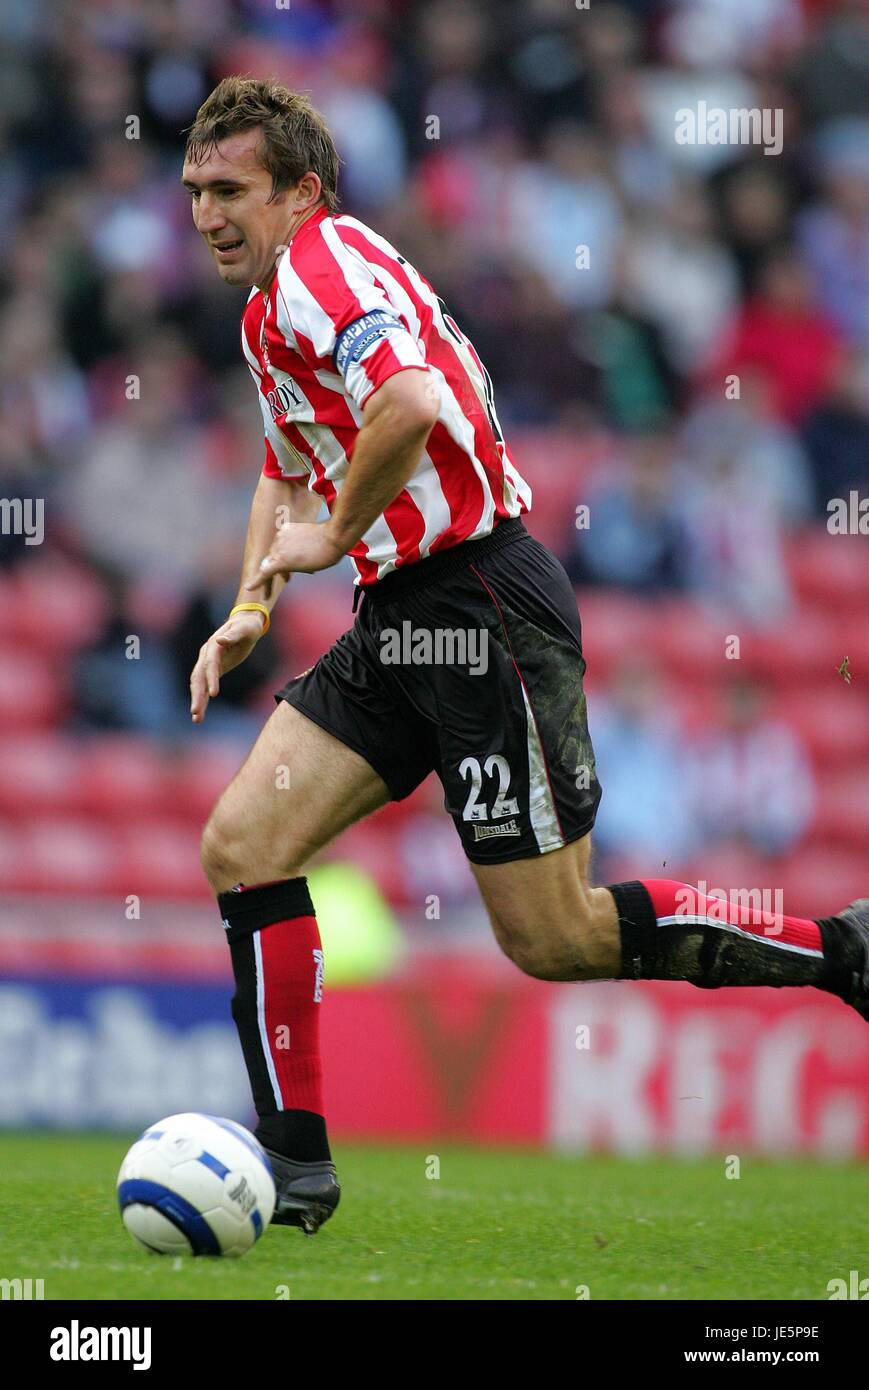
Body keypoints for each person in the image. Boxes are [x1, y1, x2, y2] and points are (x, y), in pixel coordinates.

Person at [182, 77, 869, 1236]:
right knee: (242, 844)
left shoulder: (322, 268)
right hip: (400, 618)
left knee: (556, 937)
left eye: (230, 189)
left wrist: (334, 538)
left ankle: (842, 952)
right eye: (195, 188)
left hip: (482, 602)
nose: (205, 212)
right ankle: (292, 1163)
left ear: (301, 192)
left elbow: (402, 403)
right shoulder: (270, 307)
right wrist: (251, 602)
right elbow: (283, 461)